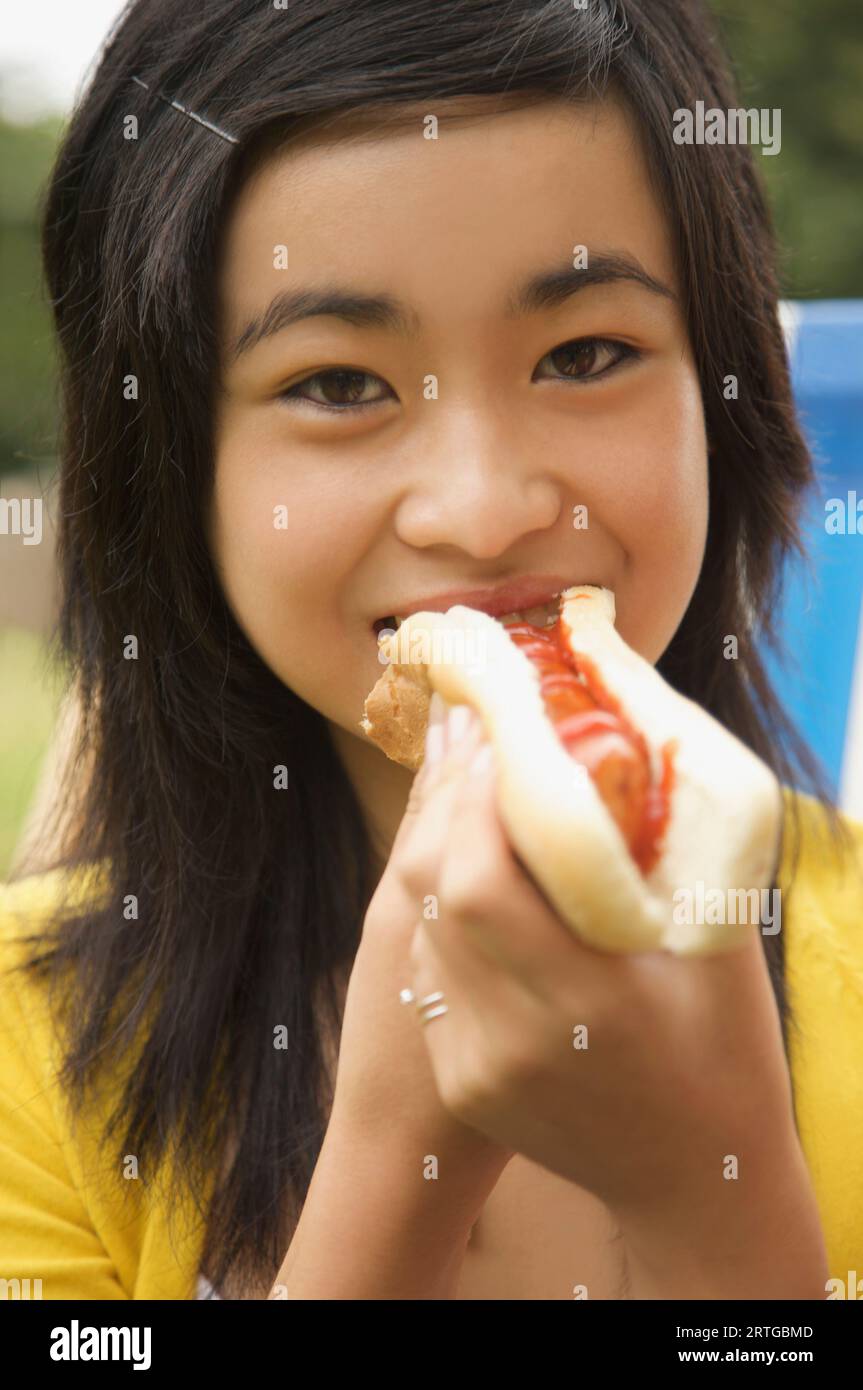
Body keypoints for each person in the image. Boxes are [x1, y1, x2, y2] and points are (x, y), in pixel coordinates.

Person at [2, 0, 862, 1301]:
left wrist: (715, 1188)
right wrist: (394, 1162)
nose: (482, 505)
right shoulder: (24, 1052)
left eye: (585, 353)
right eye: (340, 384)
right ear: (174, 472)